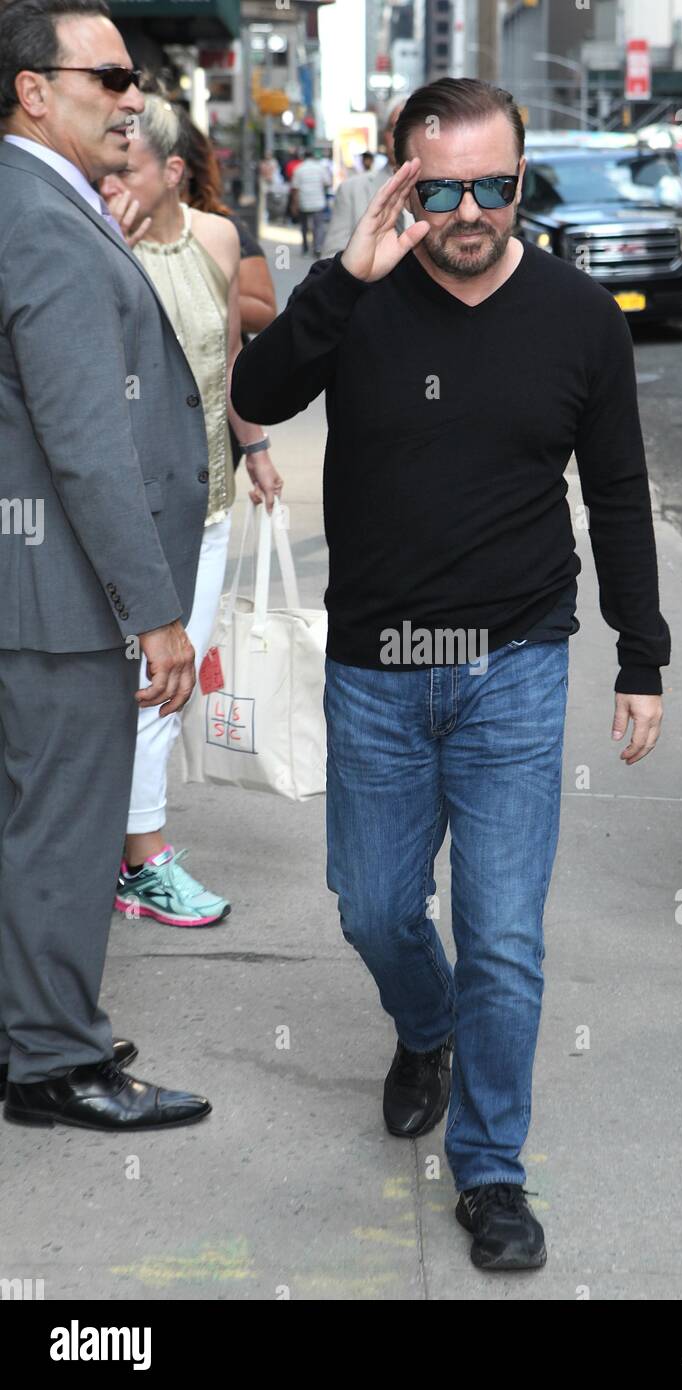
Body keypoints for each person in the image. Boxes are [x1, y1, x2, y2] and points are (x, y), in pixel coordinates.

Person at [232, 77, 670, 1270]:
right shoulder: (359, 301)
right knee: (373, 909)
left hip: (515, 666)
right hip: (377, 669)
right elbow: (253, 395)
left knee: (505, 940)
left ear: (520, 181)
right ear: (399, 182)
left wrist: (644, 656)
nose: (470, 210)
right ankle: (423, 1030)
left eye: (494, 185)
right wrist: (344, 276)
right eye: (441, 189)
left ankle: (491, 1171)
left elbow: (620, 495)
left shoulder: (581, 316)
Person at [0, 0, 212, 1129]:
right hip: (61, 598)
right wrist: (157, 613)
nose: (134, 94)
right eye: (112, 74)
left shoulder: (44, 203)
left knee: (29, 825)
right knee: (65, 838)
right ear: (36, 89)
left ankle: (30, 1032)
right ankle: (55, 1066)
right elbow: (86, 439)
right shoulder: (37, 215)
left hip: (31, 587)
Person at [100, 94, 283, 927]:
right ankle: (125, 853)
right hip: (108, 512)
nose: (111, 178)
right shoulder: (94, 238)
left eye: (126, 164)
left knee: (163, 688)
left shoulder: (214, 238)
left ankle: (136, 859)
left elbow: (230, 359)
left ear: (173, 171)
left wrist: (255, 449)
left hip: (203, 507)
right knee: (104, 689)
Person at [171, 107, 277, 471]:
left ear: (181, 169)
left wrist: (195, 288)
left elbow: (264, 310)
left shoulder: (223, 230)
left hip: (212, 410)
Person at [322, 96, 409, 256]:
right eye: (395, 127)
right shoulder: (351, 190)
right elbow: (330, 260)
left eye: (411, 127)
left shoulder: (447, 188)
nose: (402, 136)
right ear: (385, 134)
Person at [289, 146, 330, 256]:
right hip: (318, 202)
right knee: (319, 226)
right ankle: (317, 247)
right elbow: (327, 182)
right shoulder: (320, 168)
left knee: (304, 226)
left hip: (304, 202)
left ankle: (305, 247)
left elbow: (295, 189)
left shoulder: (299, 169)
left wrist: (294, 204)